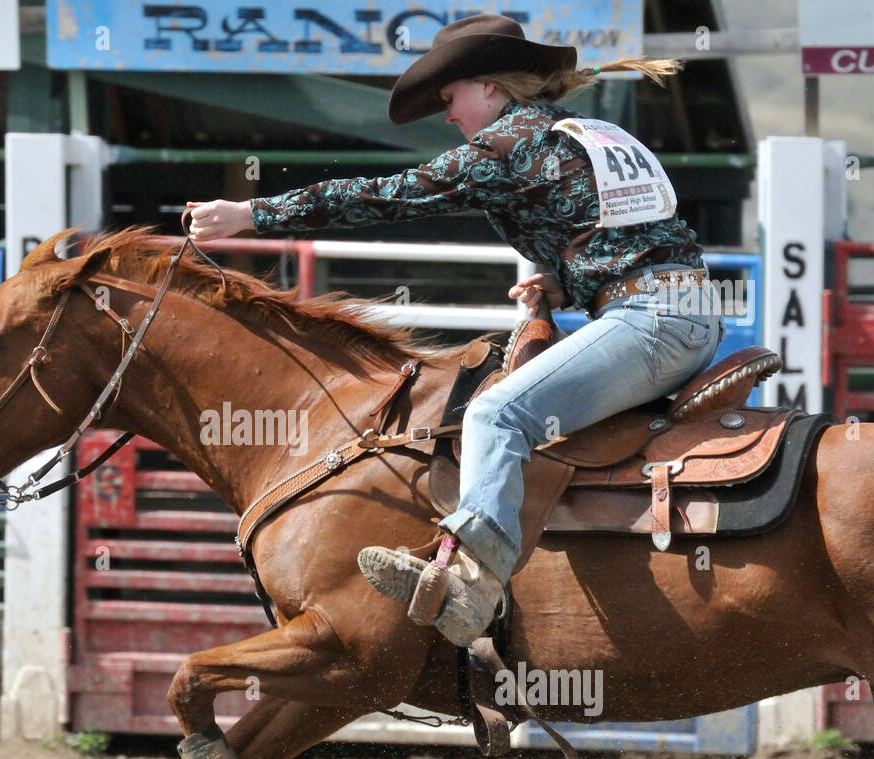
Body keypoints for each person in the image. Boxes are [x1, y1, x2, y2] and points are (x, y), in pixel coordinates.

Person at [185, 13, 724, 645]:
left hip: (651, 321)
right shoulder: (588, 132)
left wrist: (251, 213)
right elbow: (636, 237)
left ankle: (474, 581)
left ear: (489, 88)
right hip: (675, 313)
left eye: (451, 98)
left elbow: (384, 195)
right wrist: (567, 283)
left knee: (496, 415)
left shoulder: (506, 144)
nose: (447, 115)